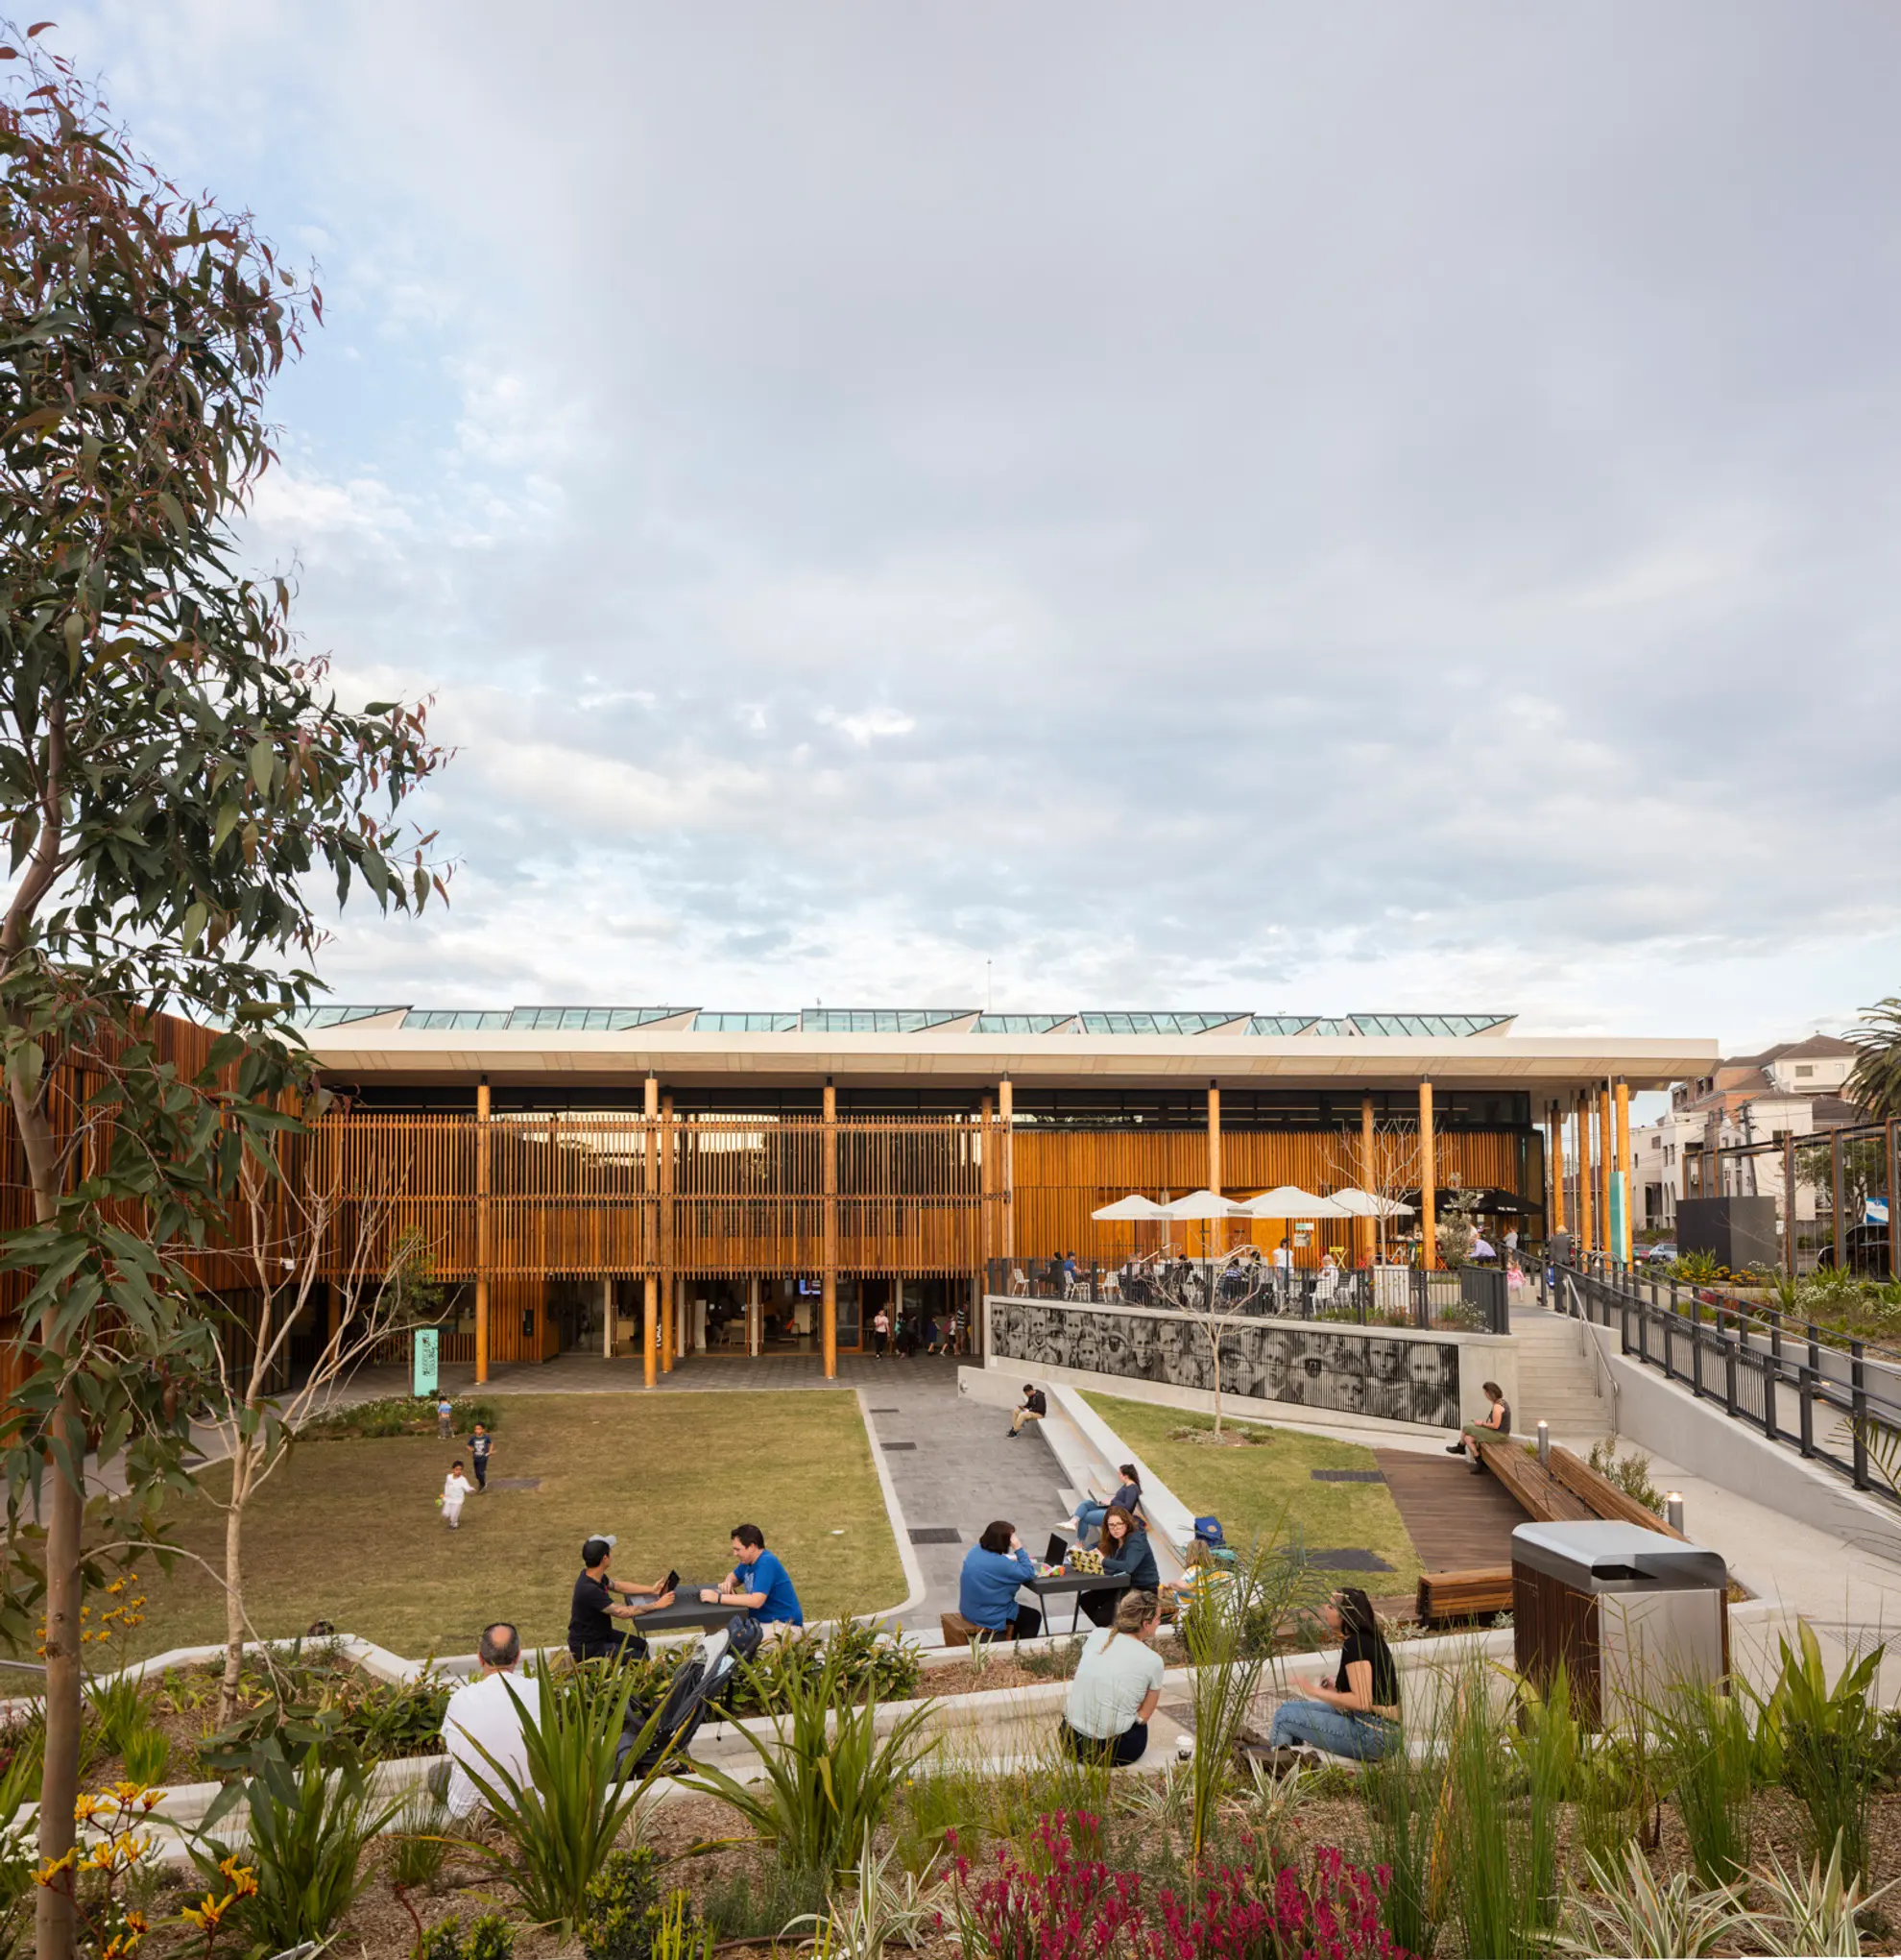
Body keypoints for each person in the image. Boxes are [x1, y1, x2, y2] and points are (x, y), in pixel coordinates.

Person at [1266, 1587, 1401, 1761]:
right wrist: (1334, 1689)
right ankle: (1295, 1769)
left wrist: (1315, 1692)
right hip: (1373, 1727)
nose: (1324, 1609)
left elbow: (1362, 1701)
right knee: (1286, 1709)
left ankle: (1280, 1780)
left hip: (1373, 1736)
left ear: (1343, 1614)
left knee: (1284, 1719)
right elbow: (1370, 1693)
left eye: (1330, 1607)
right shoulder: (1368, 1639)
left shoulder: (1355, 1645)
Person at [443, 1621, 538, 1817]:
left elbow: (452, 1747)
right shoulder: (539, 1691)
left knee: (438, 1774)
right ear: (518, 1656)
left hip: (473, 1812)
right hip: (534, 1807)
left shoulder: (461, 1699)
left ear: (480, 1658)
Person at [1062, 1590, 1165, 1766]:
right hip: (1113, 1750)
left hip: (1070, 1741)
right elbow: (1143, 1717)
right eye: (1157, 1619)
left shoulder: (1097, 1635)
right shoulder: (1153, 1660)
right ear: (1146, 1624)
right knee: (1137, 1716)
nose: (1159, 1622)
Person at [568, 1535, 676, 1663]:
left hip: (602, 1634)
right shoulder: (589, 1589)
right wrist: (657, 1605)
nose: (612, 1554)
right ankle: (639, 1680)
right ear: (604, 1558)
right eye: (610, 1552)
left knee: (642, 1645)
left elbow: (618, 1586)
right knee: (637, 1657)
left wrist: (651, 1590)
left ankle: (642, 1677)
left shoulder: (592, 1575)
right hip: (589, 1647)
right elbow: (621, 1612)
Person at [701, 1523, 804, 1625]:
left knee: (737, 1638)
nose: (734, 1554)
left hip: (784, 1625)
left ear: (751, 1547)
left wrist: (717, 1598)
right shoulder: (748, 1562)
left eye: (738, 1549)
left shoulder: (766, 1563)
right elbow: (733, 1576)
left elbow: (756, 1601)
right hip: (762, 1622)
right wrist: (728, 1581)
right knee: (716, 1625)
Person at [958, 1520, 1042, 1641]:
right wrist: (1018, 1547)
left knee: (1023, 1614)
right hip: (988, 1615)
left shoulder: (975, 1550)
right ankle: (1018, 1651)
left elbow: (995, 1564)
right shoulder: (1002, 1564)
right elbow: (1029, 1573)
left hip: (970, 1609)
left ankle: (1013, 1642)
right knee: (1033, 1617)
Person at [1079, 1504, 1160, 1628]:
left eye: (1119, 1524)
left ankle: (1113, 1631)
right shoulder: (1115, 1539)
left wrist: (1103, 1561)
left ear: (1126, 1523)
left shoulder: (1136, 1539)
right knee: (1086, 1600)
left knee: (1102, 1617)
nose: (1115, 1528)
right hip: (1123, 1583)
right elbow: (1108, 1558)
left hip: (1142, 1588)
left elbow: (1129, 1566)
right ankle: (1111, 1630)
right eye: (1111, 1525)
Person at [1059, 1463, 1145, 1544]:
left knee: (1085, 1517)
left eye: (1119, 1474)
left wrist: (1112, 1501)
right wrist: (1109, 1501)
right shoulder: (1126, 1485)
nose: (1118, 1476)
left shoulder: (1132, 1489)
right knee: (1086, 1504)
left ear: (1126, 1476)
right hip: (1111, 1508)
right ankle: (1072, 1522)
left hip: (1117, 1515)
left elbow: (1127, 1508)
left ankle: (1079, 1544)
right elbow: (1120, 1500)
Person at [1448, 1379, 1511, 1465]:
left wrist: (1482, 1424)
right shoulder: (1501, 1402)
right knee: (1467, 1438)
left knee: (1467, 1427)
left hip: (1500, 1435)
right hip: (1496, 1432)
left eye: (1485, 1393)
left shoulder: (1497, 1406)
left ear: (1489, 1394)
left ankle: (1461, 1446)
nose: (1485, 1395)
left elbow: (1496, 1426)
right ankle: (1479, 1460)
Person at [442, 1461, 475, 1531]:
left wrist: (471, 1489)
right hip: (448, 1499)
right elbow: (447, 1486)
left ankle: (454, 1525)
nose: (459, 1471)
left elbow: (467, 1488)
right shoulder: (449, 1477)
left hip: (457, 1501)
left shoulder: (463, 1480)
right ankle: (452, 1519)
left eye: (460, 1470)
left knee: (453, 1516)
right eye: (457, 1469)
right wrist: (444, 1496)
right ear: (453, 1469)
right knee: (445, 1514)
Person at [469, 1420, 493, 1492]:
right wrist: (471, 1449)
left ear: (483, 1430)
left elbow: (491, 1443)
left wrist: (490, 1451)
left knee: (481, 1472)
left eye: (479, 1429)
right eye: (476, 1429)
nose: (477, 1430)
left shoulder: (486, 1438)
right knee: (477, 1474)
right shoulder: (473, 1438)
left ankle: (483, 1485)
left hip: (483, 1458)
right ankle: (481, 1483)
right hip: (476, 1458)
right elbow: (468, 1445)